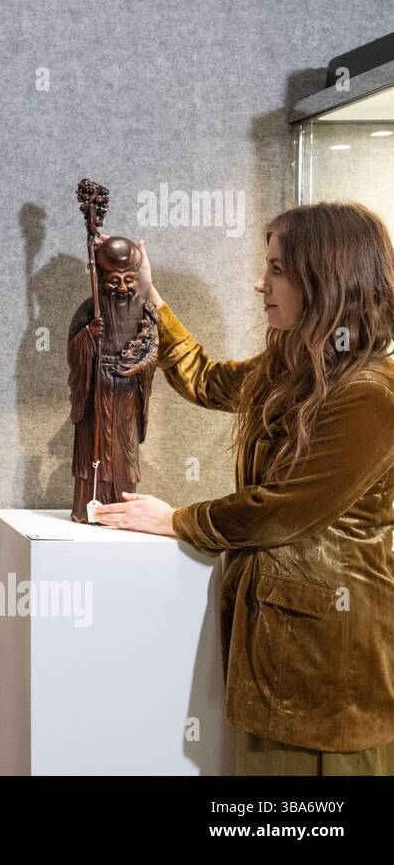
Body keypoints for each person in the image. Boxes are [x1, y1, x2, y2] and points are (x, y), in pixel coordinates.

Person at [94, 201, 394, 775]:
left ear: (325, 277)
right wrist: (151, 302)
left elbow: (283, 511)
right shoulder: (295, 364)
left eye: (277, 269)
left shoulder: (369, 394)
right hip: (278, 644)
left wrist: (178, 520)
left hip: (331, 664)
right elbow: (208, 380)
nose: (261, 283)